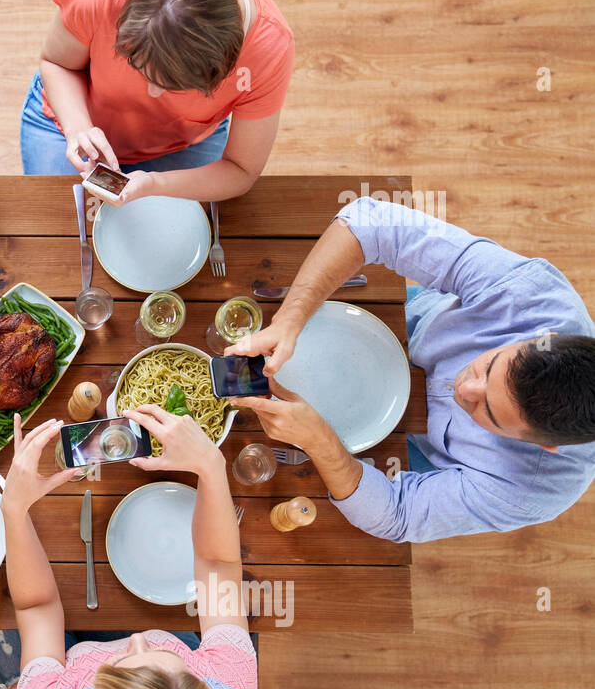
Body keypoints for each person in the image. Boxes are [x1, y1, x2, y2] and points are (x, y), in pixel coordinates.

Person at [228, 195, 595, 544]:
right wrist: (289, 321)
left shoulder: (536, 491)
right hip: (408, 326)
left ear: (544, 445)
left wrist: (321, 443)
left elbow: (397, 514)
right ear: (540, 335)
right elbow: (372, 223)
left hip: (411, 446)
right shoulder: (534, 297)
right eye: (489, 366)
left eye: (491, 413)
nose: (464, 389)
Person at [0, 411, 257, 689]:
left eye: (121, 663)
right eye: (174, 662)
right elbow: (219, 566)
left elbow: (37, 608)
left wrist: (14, 508)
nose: (138, 639)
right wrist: (211, 465)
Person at [23, 0, 293, 202]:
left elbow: (240, 169)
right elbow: (57, 63)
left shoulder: (269, 51)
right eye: (136, 65)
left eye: (170, 86)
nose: (151, 93)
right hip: (63, 122)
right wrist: (78, 128)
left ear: (221, 71)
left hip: (180, 146)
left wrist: (155, 184)